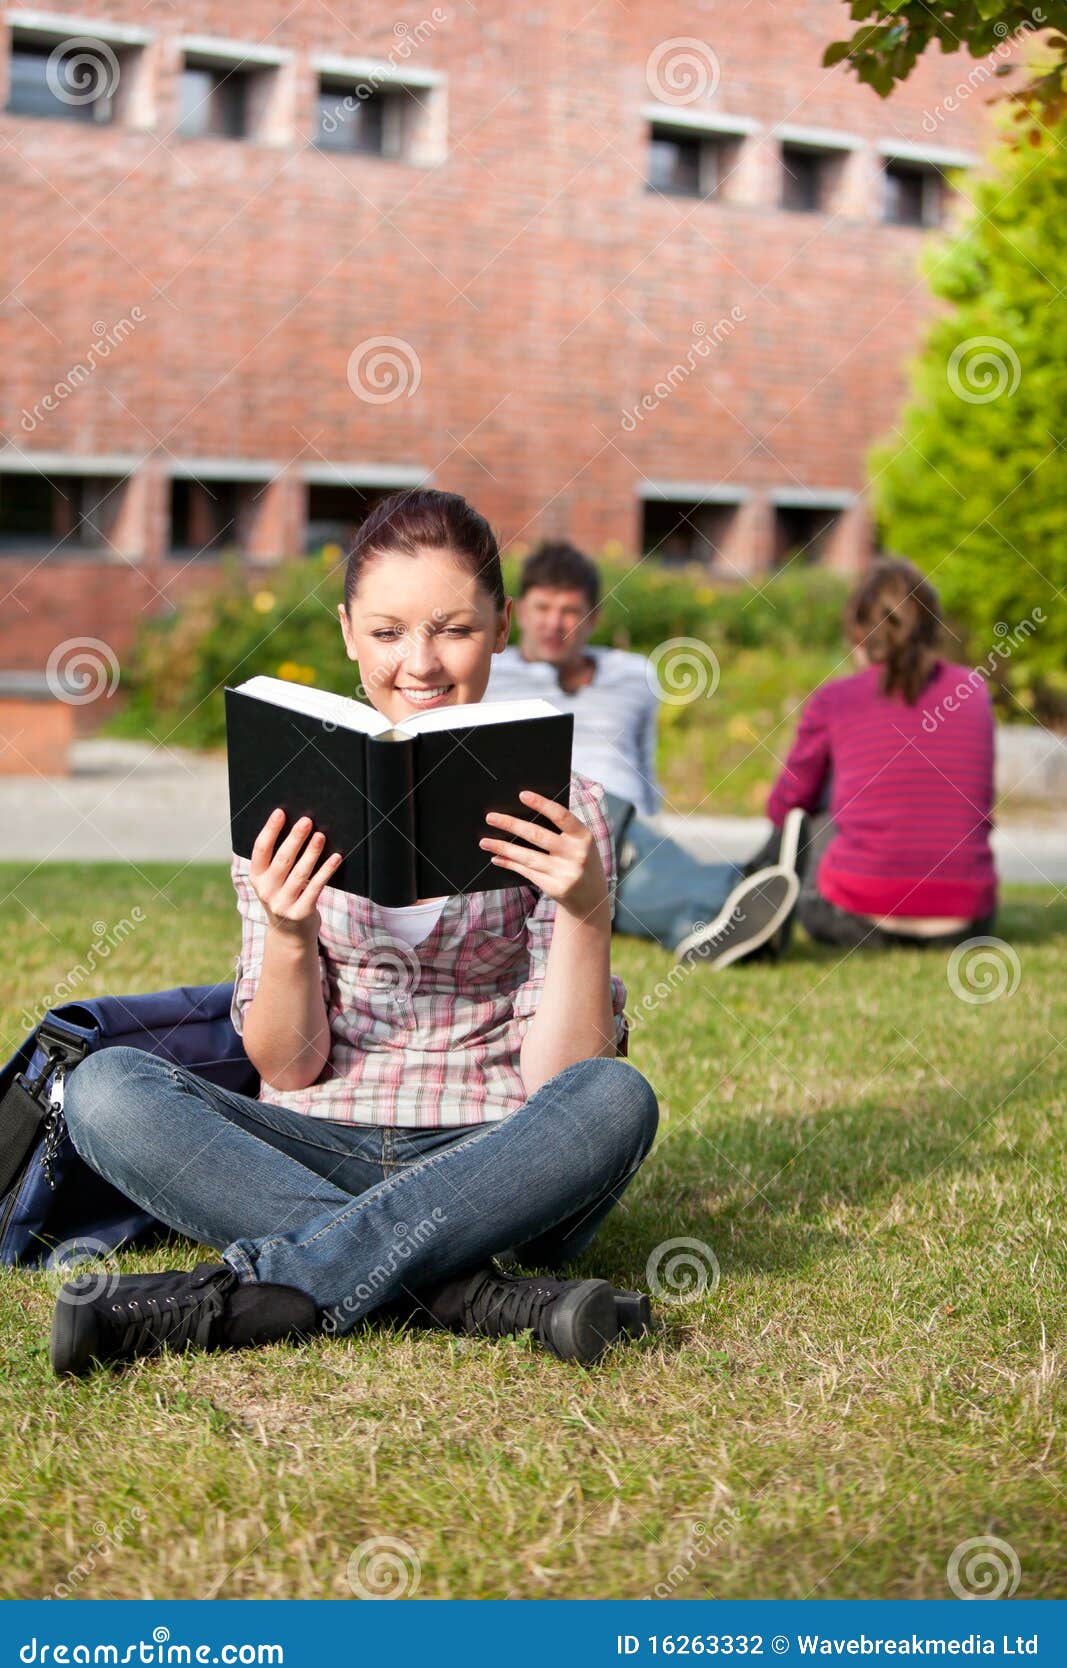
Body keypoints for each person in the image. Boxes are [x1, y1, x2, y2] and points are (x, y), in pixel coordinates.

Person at [49, 491, 660, 1376]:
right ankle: (463, 1291)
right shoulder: (286, 797)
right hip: (317, 1142)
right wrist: (288, 931)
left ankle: (254, 1293)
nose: (420, 663)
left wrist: (586, 911)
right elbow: (287, 1066)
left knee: (614, 1098)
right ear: (346, 633)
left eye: (453, 630)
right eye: (387, 632)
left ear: (500, 628)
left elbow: (561, 1081)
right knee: (105, 1088)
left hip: (491, 1155)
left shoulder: (568, 811)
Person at [483, 543, 804, 967]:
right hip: (547, 817)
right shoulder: (491, 673)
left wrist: (648, 824)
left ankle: (715, 916)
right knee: (618, 849)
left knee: (635, 861)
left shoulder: (633, 675)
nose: (554, 624)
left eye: (569, 611)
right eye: (543, 608)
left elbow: (643, 762)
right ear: (519, 612)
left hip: (626, 826)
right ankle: (735, 890)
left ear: (594, 618)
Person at [763, 556, 998, 948]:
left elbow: (786, 806)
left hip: (854, 918)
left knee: (818, 799)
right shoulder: (973, 691)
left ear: (859, 633)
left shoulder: (835, 699)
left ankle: (760, 899)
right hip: (965, 922)